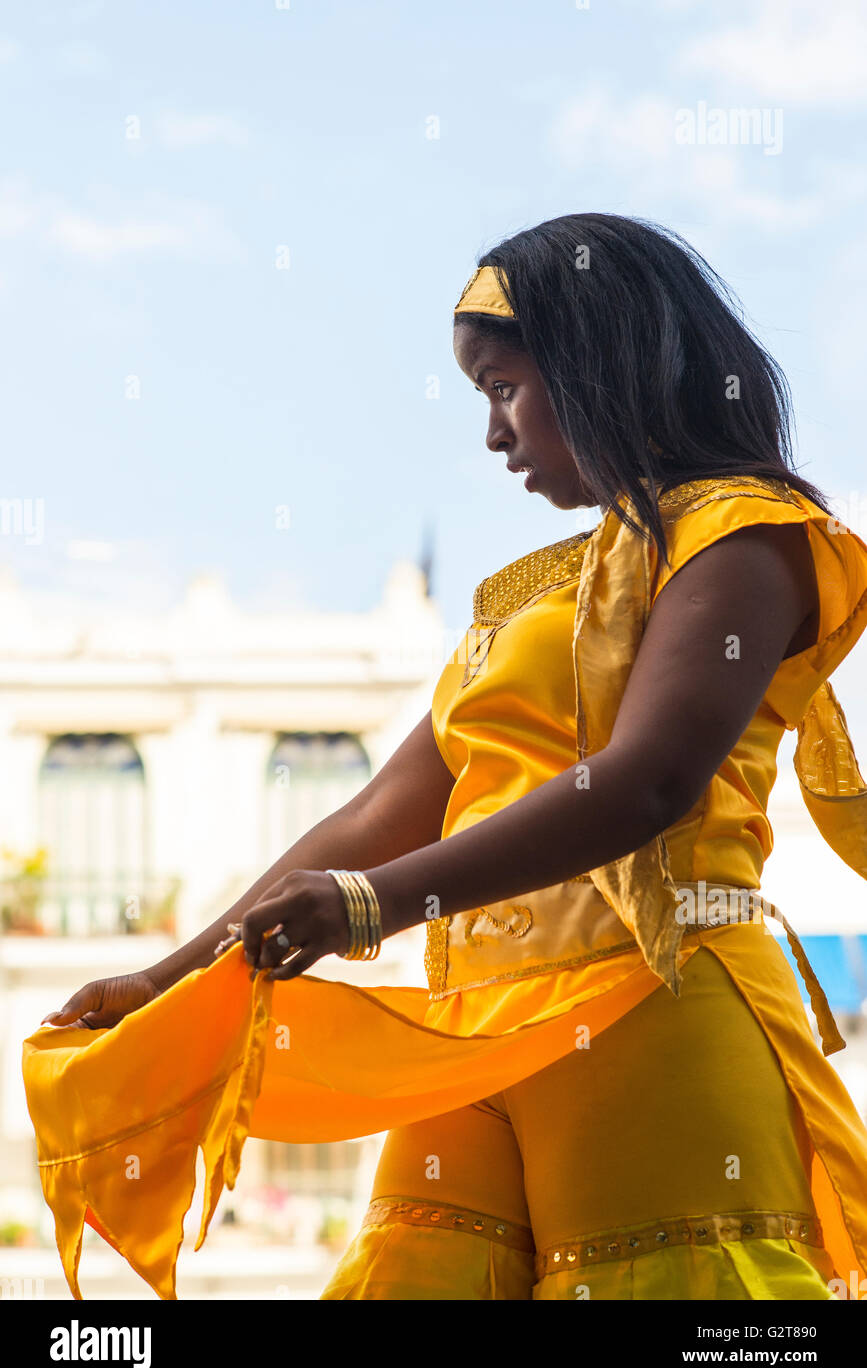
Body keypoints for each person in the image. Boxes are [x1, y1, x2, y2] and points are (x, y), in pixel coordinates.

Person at [25, 213, 867, 1302]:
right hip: (473, 1024)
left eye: (504, 387)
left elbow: (648, 782)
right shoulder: (523, 595)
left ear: (598, 362)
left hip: (654, 1000)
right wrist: (168, 975)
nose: (493, 435)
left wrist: (370, 907)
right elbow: (380, 816)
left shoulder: (746, 535)